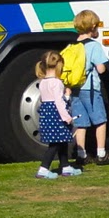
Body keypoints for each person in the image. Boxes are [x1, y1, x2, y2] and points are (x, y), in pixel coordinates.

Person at [69, 11, 109, 166]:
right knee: (100, 121)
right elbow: (101, 69)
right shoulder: (93, 45)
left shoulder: (73, 45)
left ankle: (81, 154)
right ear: (93, 27)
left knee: (81, 123)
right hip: (90, 89)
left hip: (75, 88)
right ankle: (101, 153)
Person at [33, 51, 80, 180]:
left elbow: (47, 99)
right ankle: (43, 168)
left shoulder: (43, 82)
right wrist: (67, 117)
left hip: (47, 114)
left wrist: (66, 96)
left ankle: (65, 166)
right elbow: (59, 102)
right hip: (57, 115)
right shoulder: (57, 83)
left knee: (61, 141)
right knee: (54, 144)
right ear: (59, 65)